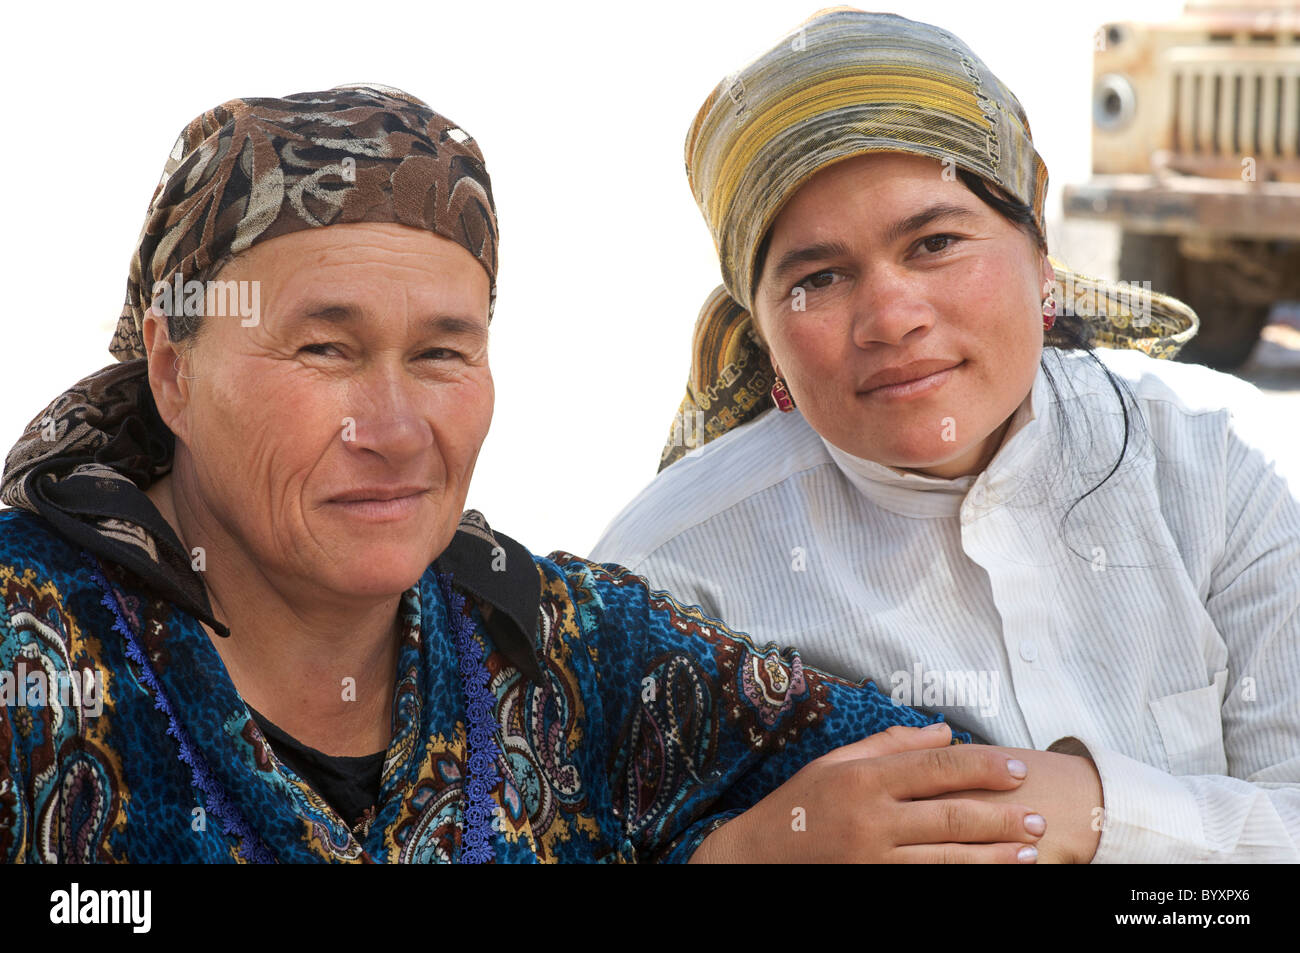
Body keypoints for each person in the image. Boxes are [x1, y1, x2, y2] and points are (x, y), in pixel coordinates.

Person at [0, 84, 1066, 864]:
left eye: (441, 353)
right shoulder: (32, 649)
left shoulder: (567, 648)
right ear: (174, 368)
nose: (396, 427)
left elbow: (943, 788)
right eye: (325, 349)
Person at [591, 9, 1300, 862]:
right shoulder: (667, 575)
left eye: (934, 242)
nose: (891, 318)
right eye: (820, 277)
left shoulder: (1215, 467)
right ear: (766, 333)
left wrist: (1105, 810)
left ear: (1041, 257)